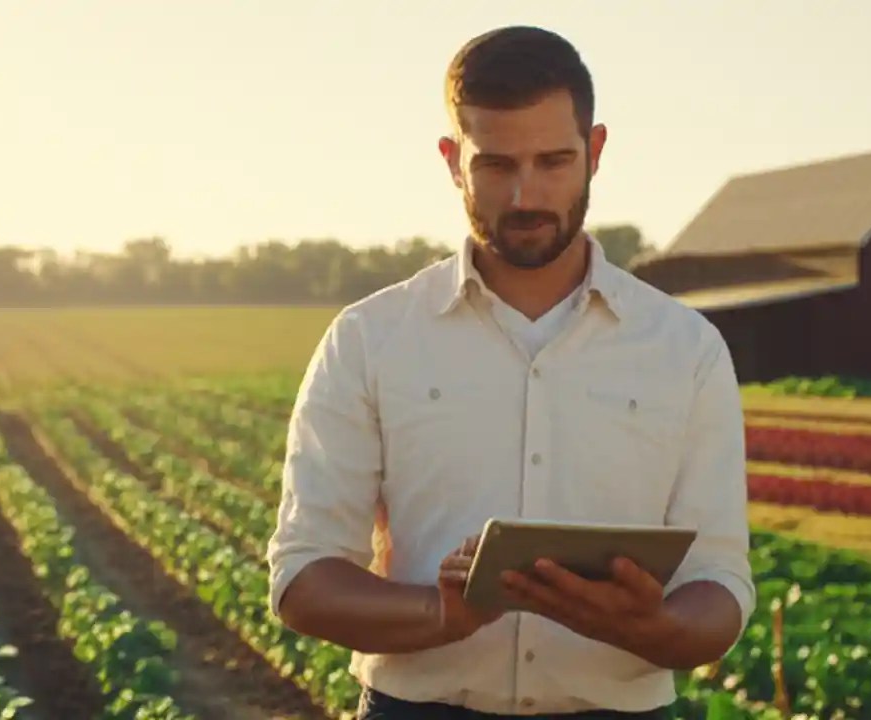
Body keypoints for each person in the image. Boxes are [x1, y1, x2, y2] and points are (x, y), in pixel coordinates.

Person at [266, 24, 756, 719]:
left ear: (596, 151)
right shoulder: (369, 340)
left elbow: (721, 585)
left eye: (554, 161)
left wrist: (647, 627)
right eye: (496, 165)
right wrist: (443, 616)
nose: (526, 195)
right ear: (451, 160)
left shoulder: (687, 349)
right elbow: (303, 580)